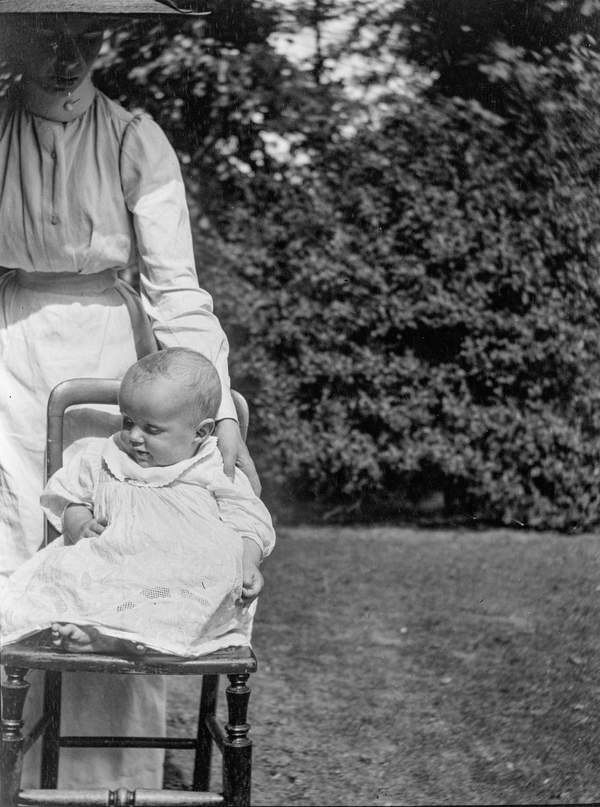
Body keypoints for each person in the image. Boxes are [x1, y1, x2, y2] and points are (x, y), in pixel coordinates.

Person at [0, 0, 259, 790]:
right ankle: (13, 782)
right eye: (45, 32)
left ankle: (111, 781)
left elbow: (176, 288)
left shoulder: (134, 138)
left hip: (113, 368)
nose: (66, 54)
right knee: (13, 545)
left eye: (84, 34)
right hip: (9, 351)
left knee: (116, 553)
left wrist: (217, 413)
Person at [0, 348, 275, 657]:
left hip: (180, 576)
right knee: (73, 573)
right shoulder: (104, 456)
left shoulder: (212, 465)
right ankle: (100, 630)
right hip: (114, 561)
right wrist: (79, 524)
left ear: (201, 432)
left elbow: (248, 518)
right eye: (128, 421)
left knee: (211, 573)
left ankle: (125, 638)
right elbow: (69, 498)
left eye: (151, 429)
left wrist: (248, 560)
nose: (133, 436)